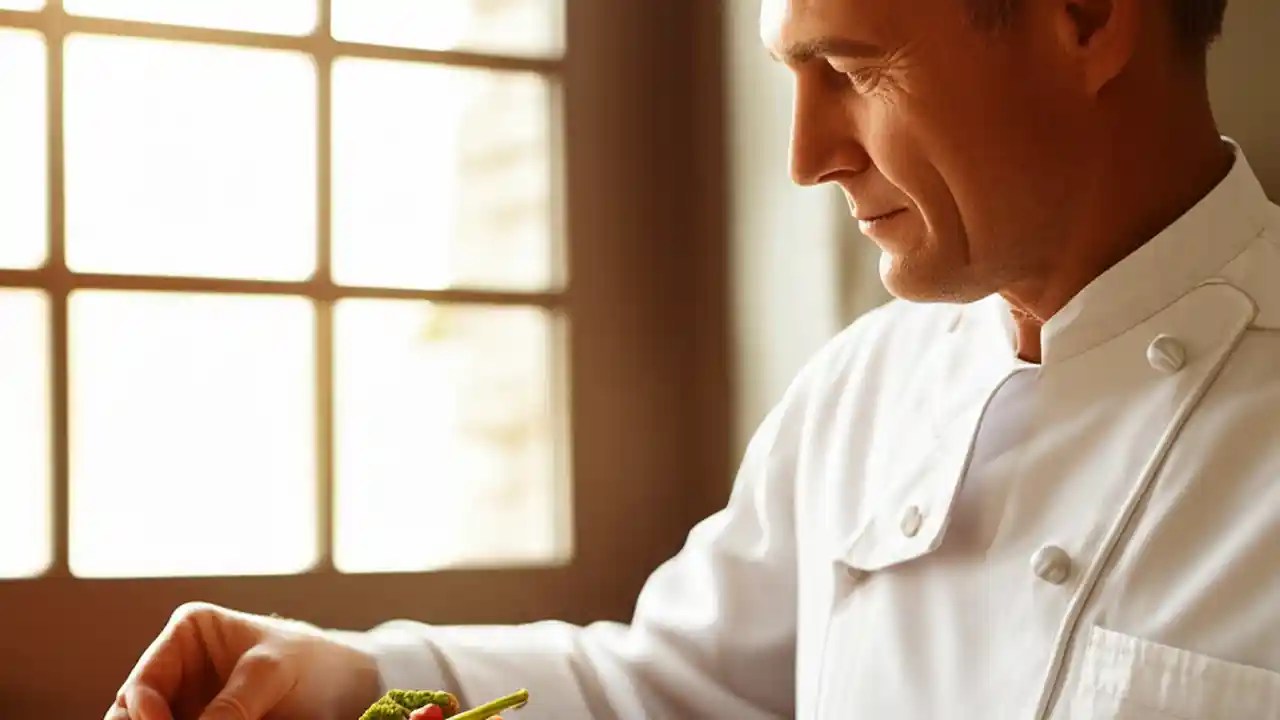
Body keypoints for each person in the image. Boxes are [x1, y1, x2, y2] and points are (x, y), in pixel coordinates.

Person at [107, 0, 1280, 717]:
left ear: (1082, 14)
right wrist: (344, 676)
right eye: (791, 74)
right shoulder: (859, 393)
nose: (806, 155)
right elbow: (667, 691)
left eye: (857, 71)